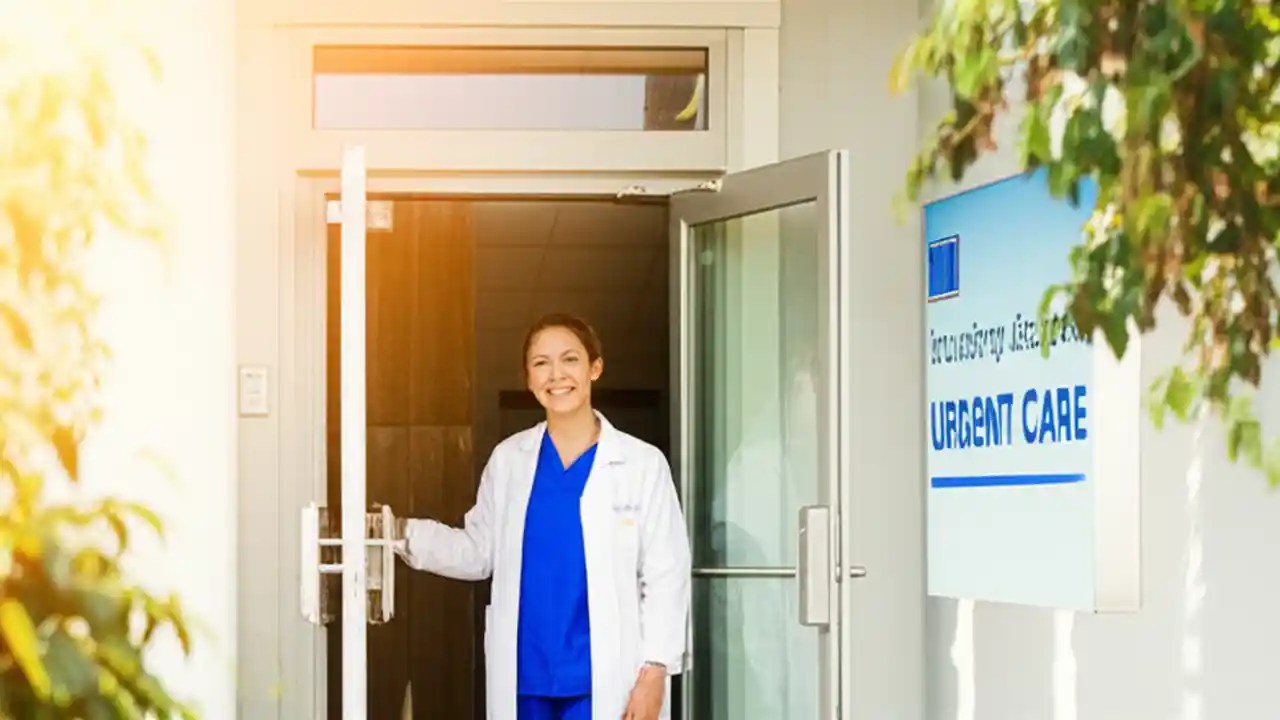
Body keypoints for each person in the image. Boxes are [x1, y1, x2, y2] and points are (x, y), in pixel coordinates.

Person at [394, 313, 691, 720]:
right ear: (529, 379)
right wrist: (398, 534)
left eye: (570, 360)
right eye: (540, 363)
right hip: (525, 677)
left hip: (604, 677)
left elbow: (665, 573)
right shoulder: (509, 460)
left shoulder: (641, 464)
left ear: (595, 368)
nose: (556, 374)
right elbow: (479, 551)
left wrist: (657, 669)